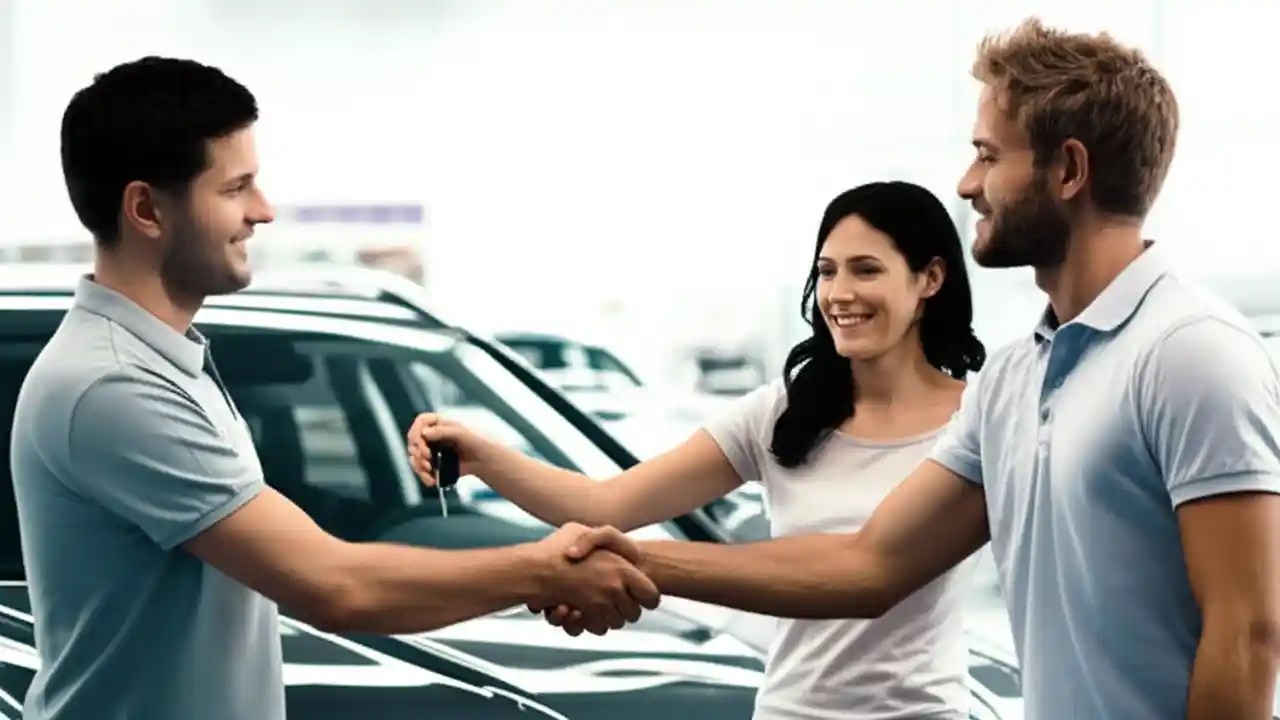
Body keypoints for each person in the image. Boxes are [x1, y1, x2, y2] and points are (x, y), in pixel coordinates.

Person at [518, 17, 1280, 720]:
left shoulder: (1190, 353)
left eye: (988, 154)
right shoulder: (1017, 380)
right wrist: (636, 559)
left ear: (1069, 170)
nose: (966, 184)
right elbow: (868, 565)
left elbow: (1247, 638)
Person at [8, 56, 657, 720]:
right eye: (236, 187)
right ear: (146, 209)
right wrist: (544, 569)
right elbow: (333, 585)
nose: (263, 211)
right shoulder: (112, 385)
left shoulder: (163, 362)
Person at [408, 180, 988, 719]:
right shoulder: (782, 413)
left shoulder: (979, 421)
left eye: (867, 270)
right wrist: (481, 454)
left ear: (929, 279)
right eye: (827, 271)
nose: (839, 294)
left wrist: (635, 566)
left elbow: (866, 571)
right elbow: (603, 505)